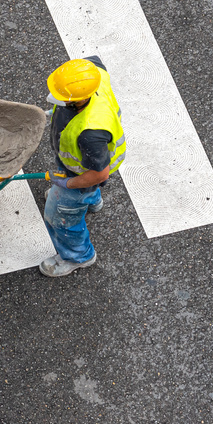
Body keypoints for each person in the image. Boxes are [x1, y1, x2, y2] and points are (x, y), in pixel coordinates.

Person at [41, 57, 125, 277]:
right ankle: (92, 202)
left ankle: (78, 256)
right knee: (85, 193)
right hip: (86, 162)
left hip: (82, 175)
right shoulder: (92, 73)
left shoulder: (90, 134)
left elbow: (98, 173)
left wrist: (69, 183)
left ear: (78, 100)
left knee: (59, 218)